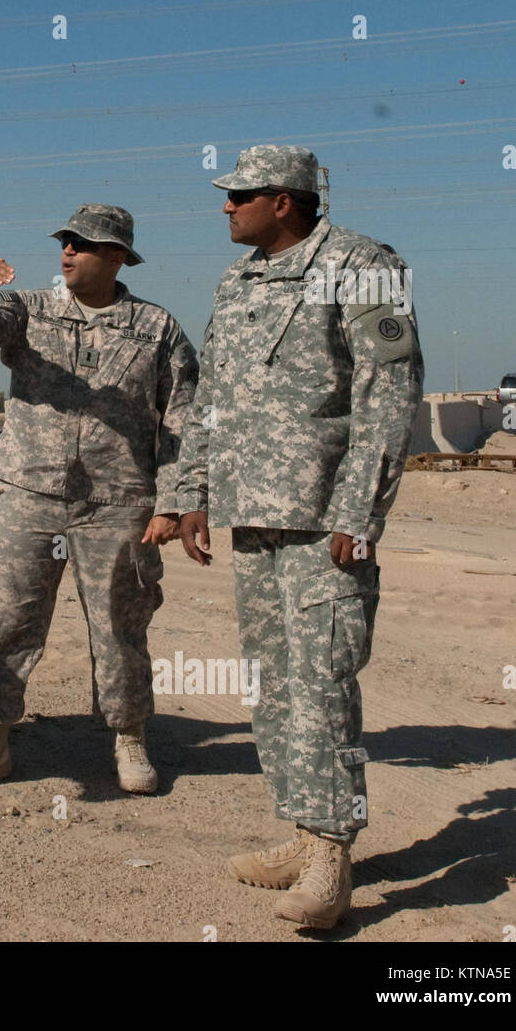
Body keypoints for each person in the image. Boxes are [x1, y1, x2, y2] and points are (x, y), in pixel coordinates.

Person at [175, 146, 424, 928]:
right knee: (274, 681)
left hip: (325, 519)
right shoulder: (239, 279)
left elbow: (390, 391)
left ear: (284, 200)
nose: (226, 207)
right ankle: (299, 823)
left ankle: (331, 852)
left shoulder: (363, 264)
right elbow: (210, 395)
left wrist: (360, 510)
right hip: (255, 514)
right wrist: (191, 492)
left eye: (239, 195)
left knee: (324, 678)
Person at [0, 205, 197, 794]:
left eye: (85, 244)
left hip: (119, 499)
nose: (69, 251)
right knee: (4, 617)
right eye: (66, 241)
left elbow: (182, 421)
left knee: (120, 625)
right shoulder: (30, 310)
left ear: (119, 256)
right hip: (29, 490)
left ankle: (129, 740)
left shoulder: (157, 328)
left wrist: (175, 500)